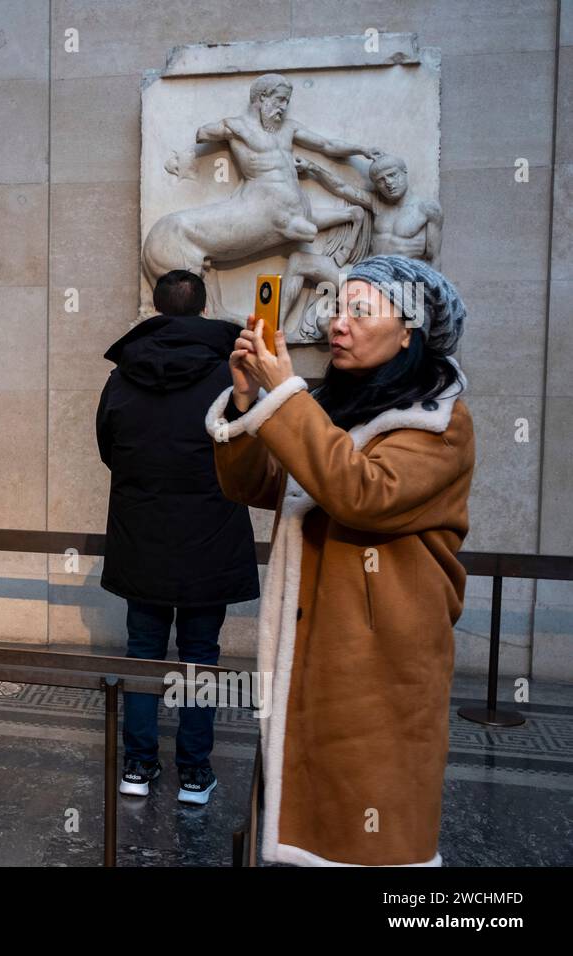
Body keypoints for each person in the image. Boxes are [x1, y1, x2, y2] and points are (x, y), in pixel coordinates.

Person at [206, 253, 474, 866]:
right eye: (336, 308)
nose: (337, 324)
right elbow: (255, 485)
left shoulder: (439, 423)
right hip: (314, 644)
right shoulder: (329, 407)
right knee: (303, 797)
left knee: (368, 823)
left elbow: (362, 495)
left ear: (410, 331)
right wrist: (250, 401)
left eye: (360, 310)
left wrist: (287, 397)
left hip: (378, 659)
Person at [96, 270, 260, 805]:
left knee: (142, 653)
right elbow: (249, 451)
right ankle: (193, 772)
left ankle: (138, 769)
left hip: (141, 533)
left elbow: (109, 450)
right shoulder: (229, 375)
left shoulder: (121, 378)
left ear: (156, 307)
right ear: (204, 308)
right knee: (200, 655)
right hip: (209, 539)